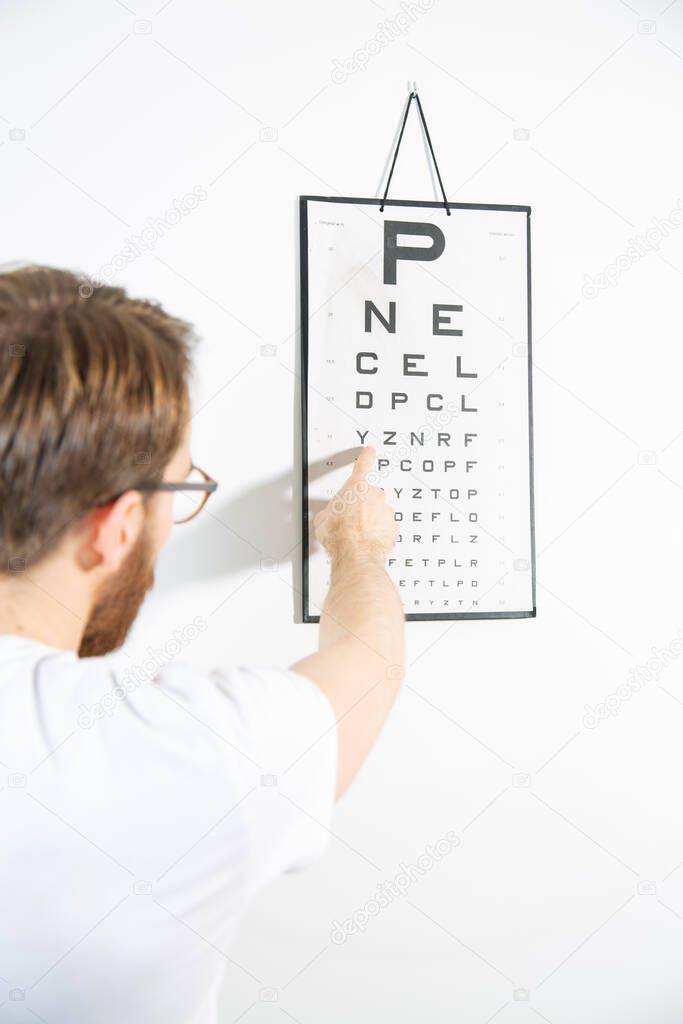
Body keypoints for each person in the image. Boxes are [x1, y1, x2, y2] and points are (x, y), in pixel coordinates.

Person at [0, 265, 405, 1023]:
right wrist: (358, 550)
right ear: (114, 528)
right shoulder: (188, 751)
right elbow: (368, 664)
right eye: (178, 490)